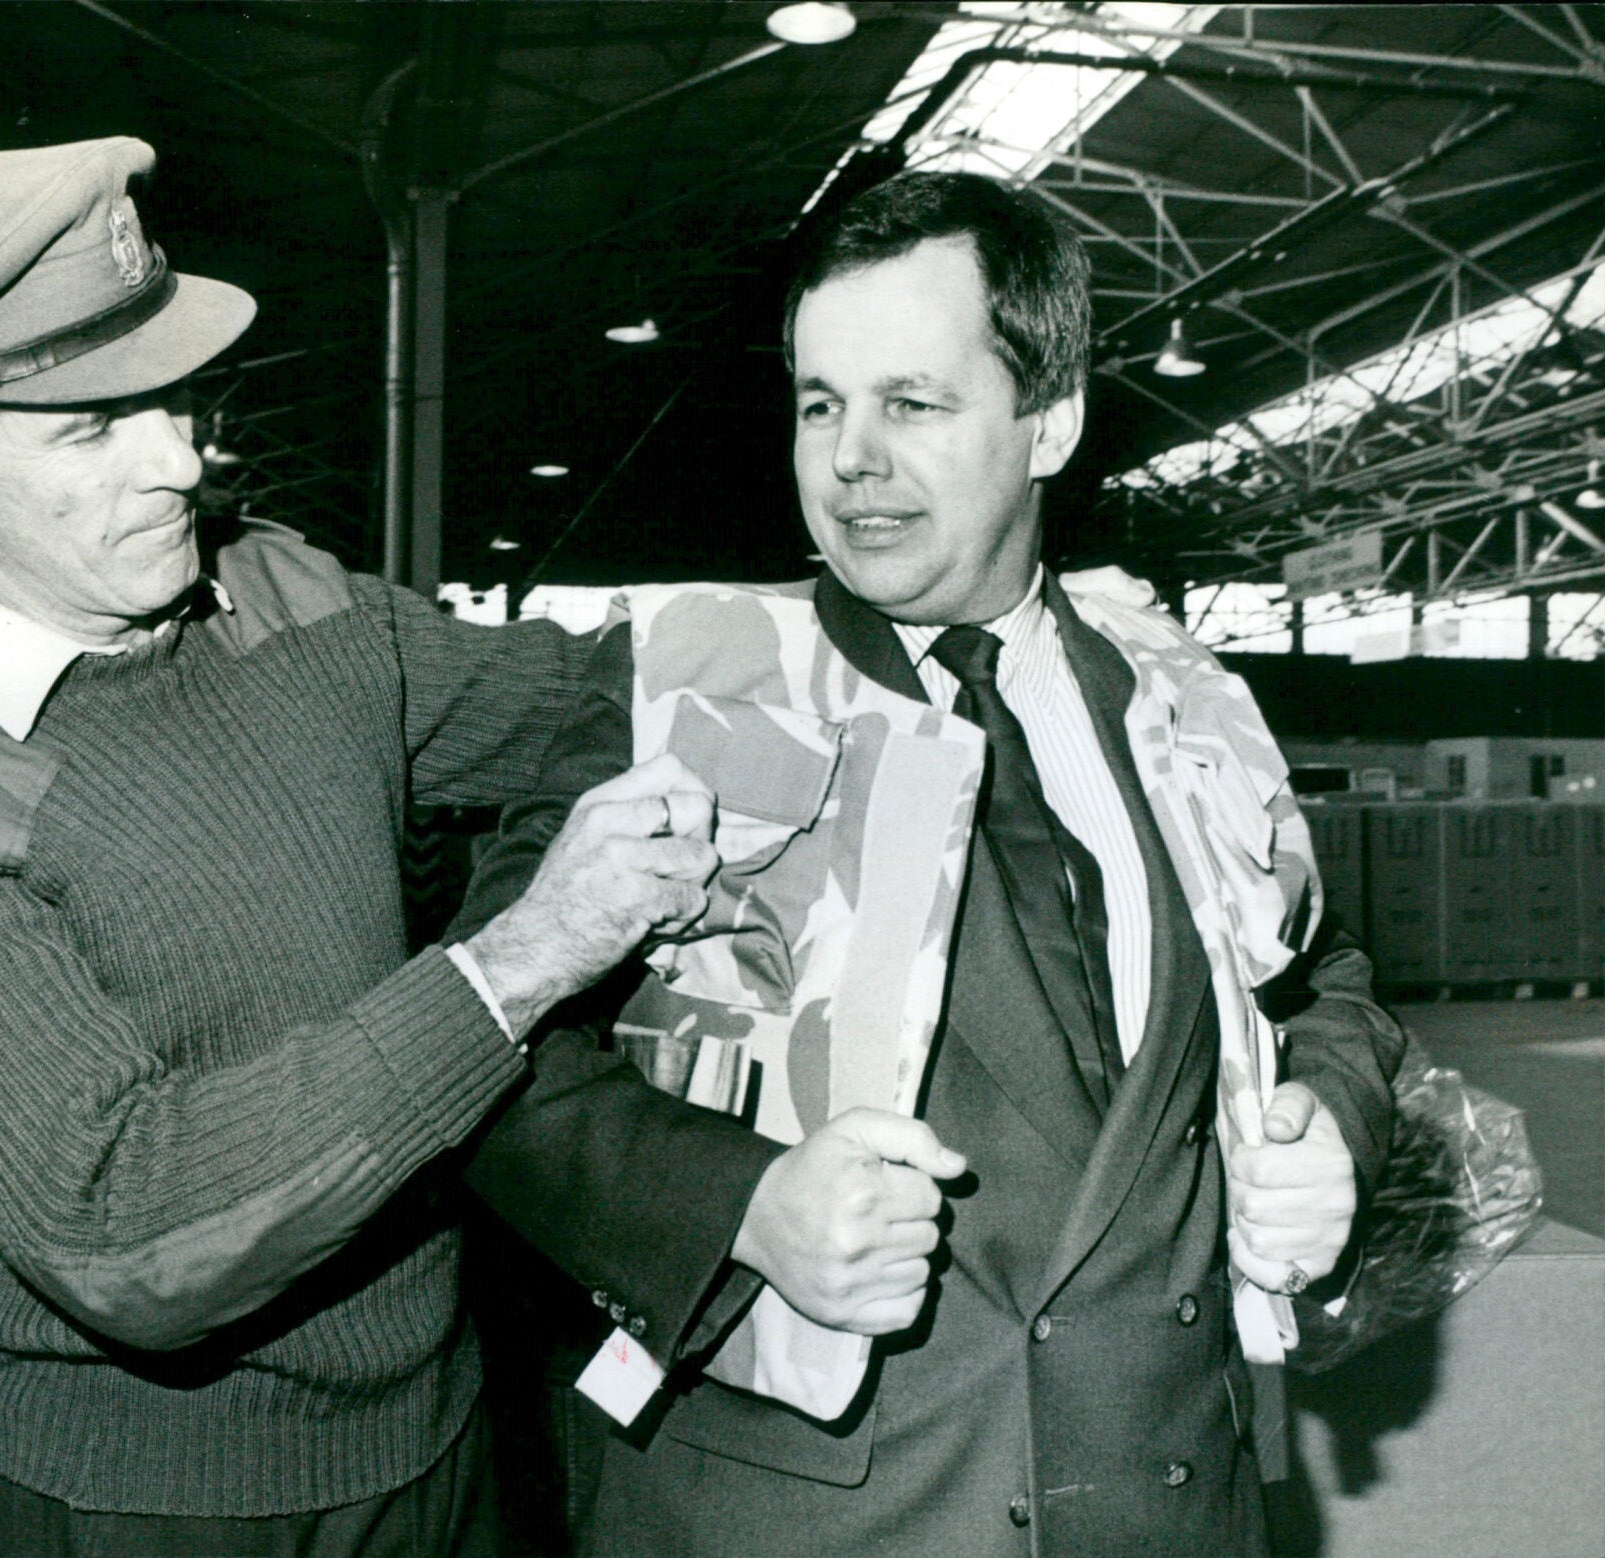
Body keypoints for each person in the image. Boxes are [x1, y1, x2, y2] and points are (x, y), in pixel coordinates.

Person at [0, 135, 950, 1556]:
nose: (179, 463)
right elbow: (132, 1230)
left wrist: (924, 604)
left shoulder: (279, 599)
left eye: (178, 401)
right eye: (90, 428)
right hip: (159, 1504)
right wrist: (518, 957)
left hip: (441, 1436)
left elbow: (591, 701)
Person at [453, 170, 1406, 1556]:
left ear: (1050, 419)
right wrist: (743, 1206)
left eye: (912, 403)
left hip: (1168, 1497)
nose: (850, 459)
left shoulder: (1187, 697)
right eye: (819, 403)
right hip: (806, 1515)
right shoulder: (671, 687)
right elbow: (490, 1047)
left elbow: (1320, 981)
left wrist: (1333, 1120)